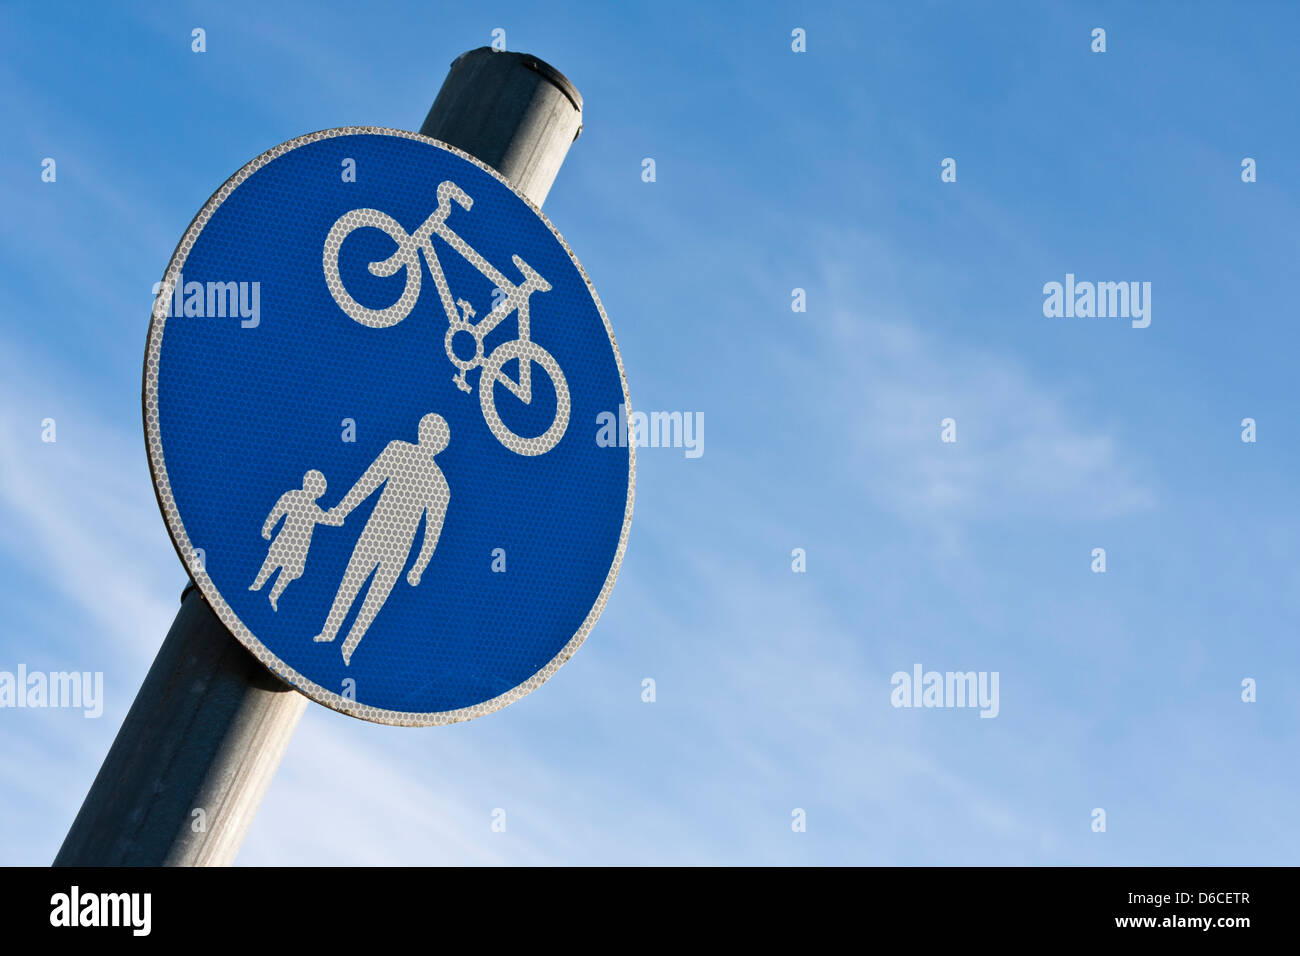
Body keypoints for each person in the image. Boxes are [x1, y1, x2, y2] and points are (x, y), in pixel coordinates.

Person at [315, 413, 451, 665]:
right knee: (350, 582)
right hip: (375, 531)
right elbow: (368, 482)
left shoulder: (439, 484)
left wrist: (419, 566)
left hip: (400, 546)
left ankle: (349, 647)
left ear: (441, 444)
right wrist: (343, 510)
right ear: (421, 430)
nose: (430, 437)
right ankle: (329, 632)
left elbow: (432, 531)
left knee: (375, 597)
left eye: (436, 436)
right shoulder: (397, 451)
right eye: (428, 430)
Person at [249, 470, 341, 610]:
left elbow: (326, 519)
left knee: (289, 571)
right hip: (285, 541)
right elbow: (277, 512)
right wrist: (267, 528)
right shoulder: (292, 496)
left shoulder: (314, 509)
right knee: (271, 562)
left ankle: (273, 595)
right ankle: (257, 585)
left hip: (299, 548)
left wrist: (336, 519)